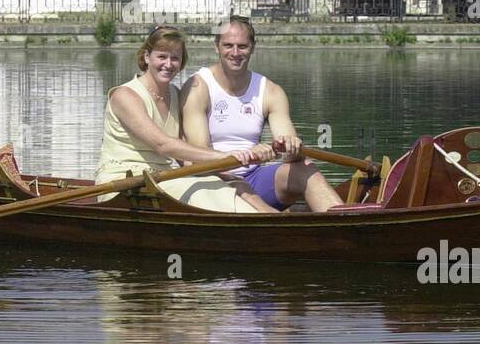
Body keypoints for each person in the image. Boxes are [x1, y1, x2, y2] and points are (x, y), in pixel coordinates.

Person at [96, 26, 277, 213]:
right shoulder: (125, 95)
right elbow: (163, 145)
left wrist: (224, 173)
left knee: (226, 183)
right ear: (146, 57)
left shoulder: (175, 94)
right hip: (123, 183)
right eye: (162, 56)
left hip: (161, 178)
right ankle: (259, 223)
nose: (168, 64)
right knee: (207, 193)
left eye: (175, 58)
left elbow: (185, 159)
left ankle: (268, 217)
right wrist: (227, 156)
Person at [180, 16, 345, 213]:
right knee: (236, 184)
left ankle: (344, 225)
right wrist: (243, 157)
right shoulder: (198, 86)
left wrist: (290, 148)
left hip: (254, 176)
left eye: (242, 46)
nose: (235, 53)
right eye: (228, 45)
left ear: (252, 47)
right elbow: (200, 155)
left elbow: (290, 155)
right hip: (213, 178)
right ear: (217, 47)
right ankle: (275, 219)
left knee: (306, 168)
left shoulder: (271, 91)